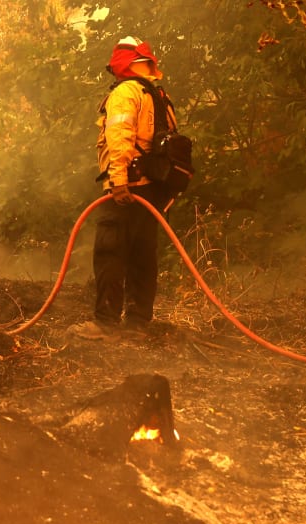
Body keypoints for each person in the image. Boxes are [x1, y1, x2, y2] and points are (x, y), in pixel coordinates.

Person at [71, 36, 179, 341]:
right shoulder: (158, 94)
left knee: (109, 251)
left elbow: (120, 138)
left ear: (125, 63)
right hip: (152, 190)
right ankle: (137, 323)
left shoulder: (125, 93)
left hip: (128, 188)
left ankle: (105, 324)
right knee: (143, 254)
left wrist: (118, 179)